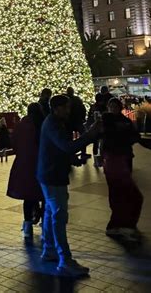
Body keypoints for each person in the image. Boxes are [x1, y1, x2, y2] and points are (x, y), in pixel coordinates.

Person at [37, 94, 100, 278]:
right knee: (59, 216)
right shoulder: (53, 124)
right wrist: (91, 134)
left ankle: (49, 249)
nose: (68, 110)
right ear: (56, 108)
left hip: (48, 172)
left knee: (50, 212)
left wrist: (72, 159)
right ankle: (65, 259)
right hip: (53, 174)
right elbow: (66, 146)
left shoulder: (55, 122)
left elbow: (59, 147)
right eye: (66, 107)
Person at [101, 98, 151, 243]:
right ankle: (121, 226)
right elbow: (106, 136)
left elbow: (137, 139)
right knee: (126, 196)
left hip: (123, 160)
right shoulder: (107, 120)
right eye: (110, 106)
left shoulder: (124, 121)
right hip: (114, 162)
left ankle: (122, 225)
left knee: (125, 196)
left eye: (115, 106)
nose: (112, 108)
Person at [7, 102, 45, 239]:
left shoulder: (21, 125)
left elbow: (14, 144)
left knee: (28, 196)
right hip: (42, 164)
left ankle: (28, 224)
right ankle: (45, 224)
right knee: (44, 195)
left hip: (24, 164)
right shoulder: (43, 124)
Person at [86, 88, 110, 167]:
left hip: (95, 128)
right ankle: (103, 159)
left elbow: (89, 117)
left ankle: (96, 160)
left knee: (95, 144)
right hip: (102, 128)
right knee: (103, 143)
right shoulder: (104, 107)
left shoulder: (93, 107)